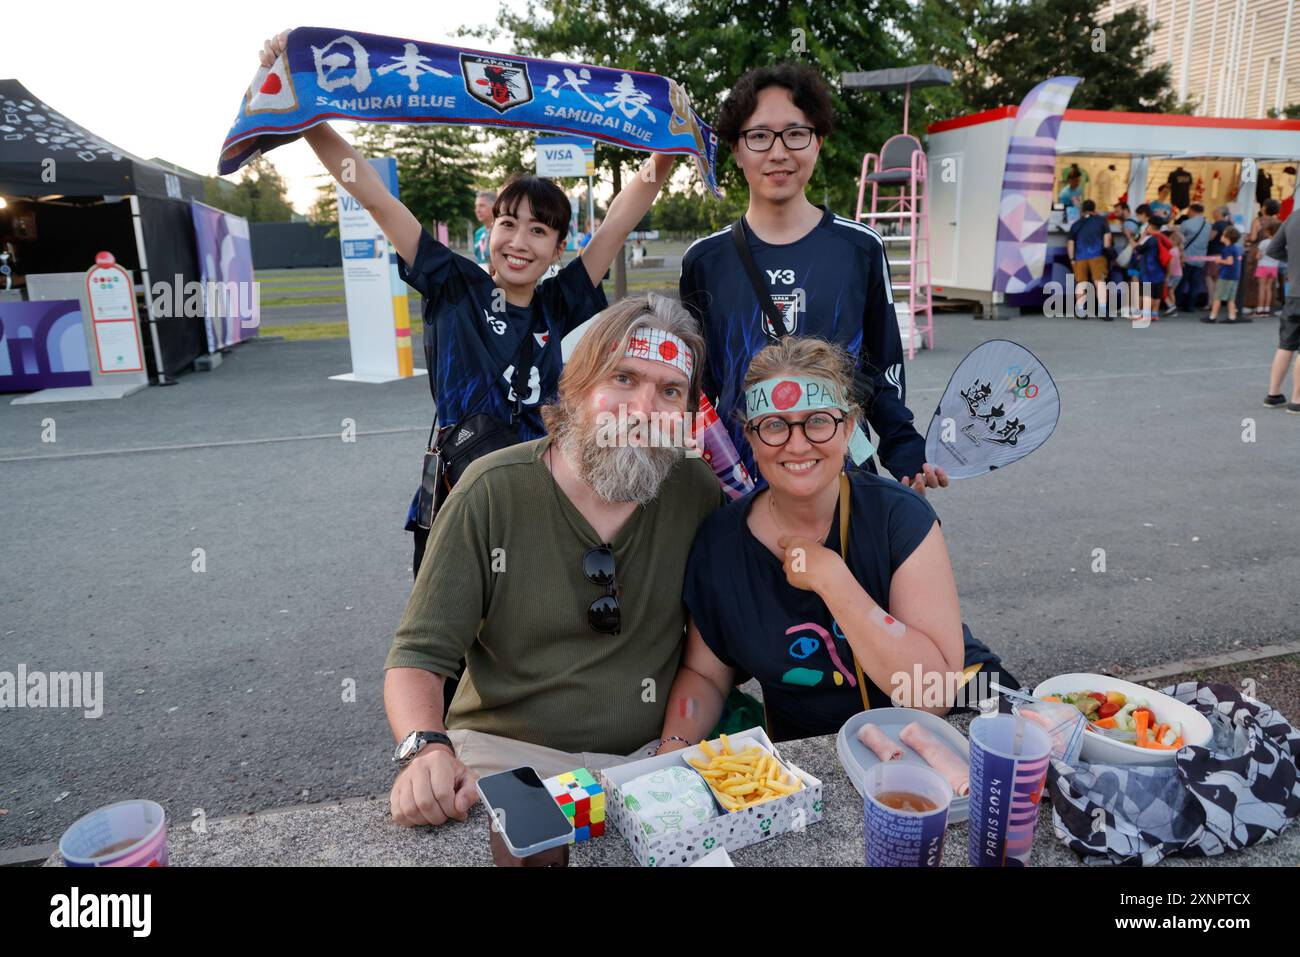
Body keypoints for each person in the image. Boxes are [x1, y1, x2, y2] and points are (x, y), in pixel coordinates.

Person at [258, 30, 678, 580]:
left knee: (533, 641)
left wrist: (672, 142)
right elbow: (375, 197)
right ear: (490, 231)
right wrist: (306, 112)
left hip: (546, 503)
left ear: (558, 247)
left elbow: (623, 213)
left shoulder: (565, 298)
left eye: (538, 230)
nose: (519, 241)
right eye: (508, 223)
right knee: (446, 653)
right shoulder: (453, 286)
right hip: (458, 500)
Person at [383, 295, 724, 826]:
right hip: (501, 759)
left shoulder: (695, 490)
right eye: (624, 379)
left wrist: (672, 753)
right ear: (578, 386)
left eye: (669, 391)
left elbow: (705, 665)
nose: (643, 410)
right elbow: (418, 657)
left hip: (646, 758)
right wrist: (426, 750)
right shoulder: (491, 490)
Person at [654, 337, 1019, 747]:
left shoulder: (899, 517)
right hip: (818, 747)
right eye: (775, 425)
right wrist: (672, 750)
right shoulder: (719, 544)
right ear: (751, 438)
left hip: (960, 718)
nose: (797, 444)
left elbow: (929, 696)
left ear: (847, 428)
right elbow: (705, 675)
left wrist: (834, 580)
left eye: (818, 421)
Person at [679, 63, 947, 497]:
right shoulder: (704, 260)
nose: (779, 152)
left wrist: (903, 448)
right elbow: (697, 387)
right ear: (737, 149)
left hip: (840, 472)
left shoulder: (860, 248)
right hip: (737, 484)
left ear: (818, 142)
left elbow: (881, 371)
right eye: (760, 135)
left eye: (796, 134)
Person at [1260, 204, 1300, 412]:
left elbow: (1272, 249)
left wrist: (1292, 261)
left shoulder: (1293, 217)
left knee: (1285, 345)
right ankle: (1297, 399)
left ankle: (1273, 394)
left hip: (1294, 293)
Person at [1067, 199, 1112, 318]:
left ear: (1082, 210)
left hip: (1080, 257)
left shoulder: (1076, 224)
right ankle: (1103, 310)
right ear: (1094, 209)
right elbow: (1107, 240)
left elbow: (1071, 243)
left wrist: (1072, 259)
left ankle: (1081, 311)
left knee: (1081, 284)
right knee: (1099, 283)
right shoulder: (1102, 221)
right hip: (1097, 256)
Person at [1203, 227, 1244, 324]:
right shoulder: (1235, 248)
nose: (1221, 237)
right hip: (1234, 276)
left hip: (1226, 276)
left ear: (1227, 237)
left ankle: (1212, 316)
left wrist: (1219, 260)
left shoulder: (1227, 249)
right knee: (1231, 298)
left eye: (1223, 235)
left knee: (1217, 297)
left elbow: (1229, 262)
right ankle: (1232, 317)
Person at [1133, 218, 1170, 324]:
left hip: (1148, 270)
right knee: (1157, 294)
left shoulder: (1151, 239)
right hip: (1160, 271)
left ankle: (1146, 314)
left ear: (1150, 226)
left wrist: (1142, 237)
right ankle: (1154, 313)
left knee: (1147, 293)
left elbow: (1138, 249)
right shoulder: (1163, 237)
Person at [1176, 203, 1211, 312]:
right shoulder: (1208, 224)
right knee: (1195, 283)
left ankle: (1177, 303)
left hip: (1187, 256)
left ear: (1192, 211)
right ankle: (1190, 306)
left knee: (1181, 281)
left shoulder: (1186, 223)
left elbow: (1178, 239)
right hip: (1201, 258)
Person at [1204, 204, 1233, 303]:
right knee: (1217, 278)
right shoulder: (1229, 225)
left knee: (1209, 277)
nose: (1213, 212)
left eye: (1215, 210)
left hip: (1214, 252)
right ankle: (1217, 300)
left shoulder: (1217, 225)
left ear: (1219, 213)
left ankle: (1211, 300)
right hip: (1224, 253)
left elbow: (1210, 238)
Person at [1161, 226, 1184, 316]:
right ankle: (1172, 308)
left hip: (1173, 274)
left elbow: (1171, 265)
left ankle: (1172, 308)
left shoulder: (1171, 251)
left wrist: (1167, 276)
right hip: (1179, 274)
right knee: (1172, 291)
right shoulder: (1178, 250)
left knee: (1168, 291)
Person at [472, 189, 495, 267]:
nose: (477, 210)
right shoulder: (478, 232)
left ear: (494, 207)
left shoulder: (500, 231)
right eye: (476, 206)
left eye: (482, 206)